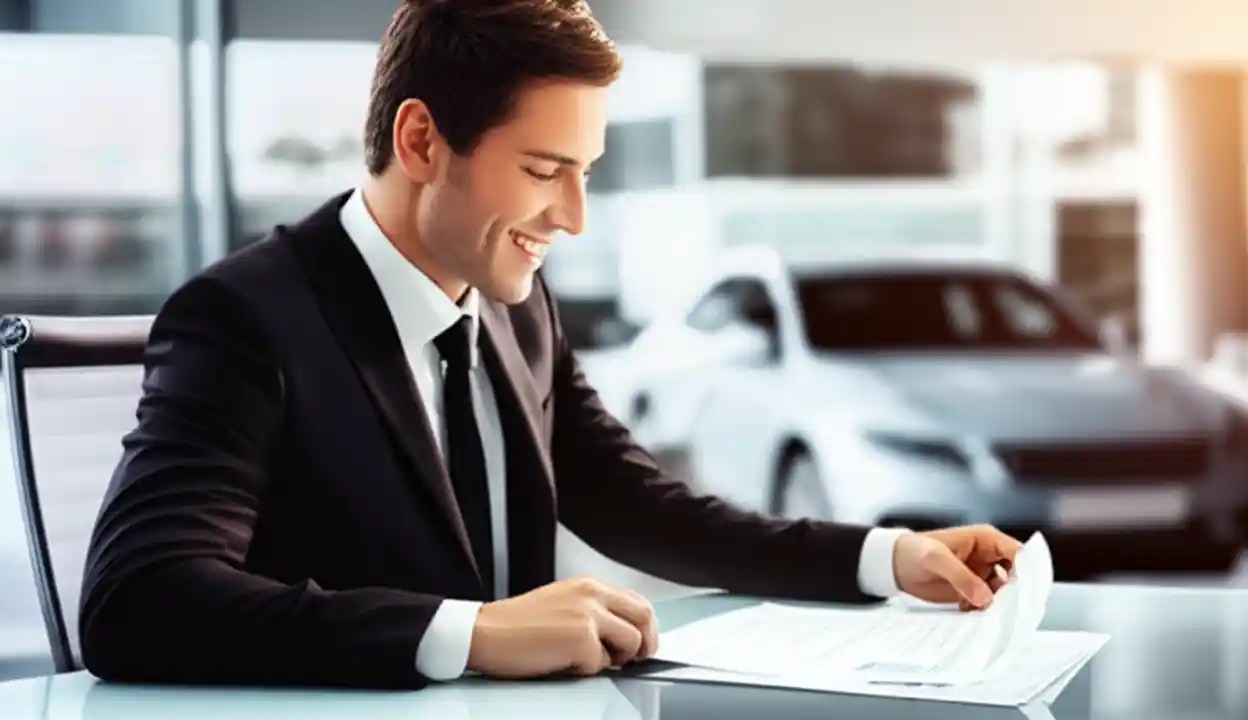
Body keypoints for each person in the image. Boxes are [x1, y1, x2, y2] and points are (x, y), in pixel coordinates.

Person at [78, 0, 1022, 690]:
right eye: (543, 171)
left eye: (585, 175)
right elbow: (139, 599)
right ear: (420, 141)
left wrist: (884, 558)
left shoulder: (513, 305)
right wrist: (471, 632)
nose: (570, 217)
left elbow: (638, 505)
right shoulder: (245, 318)